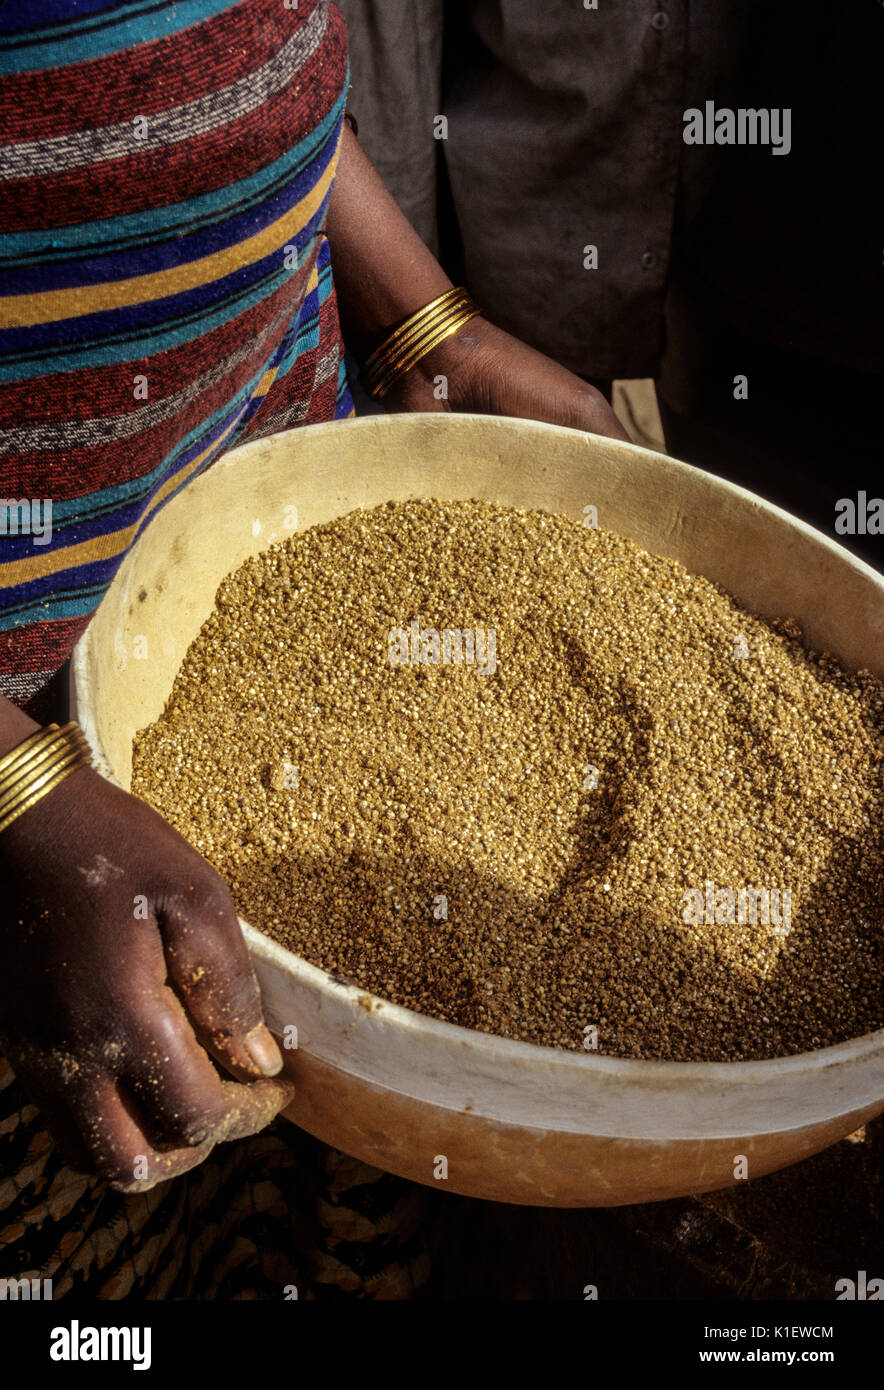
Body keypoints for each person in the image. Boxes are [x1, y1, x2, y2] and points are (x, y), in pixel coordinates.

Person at [0, 0, 626, 1297]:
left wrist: (421, 316)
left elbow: (227, 44)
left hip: (265, 562)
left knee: (298, 1221)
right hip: (35, 832)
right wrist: (18, 789)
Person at [339, 0, 884, 570]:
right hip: (519, 235)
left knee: (763, 558)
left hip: (787, 271)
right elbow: (388, 29)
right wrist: (422, 332)